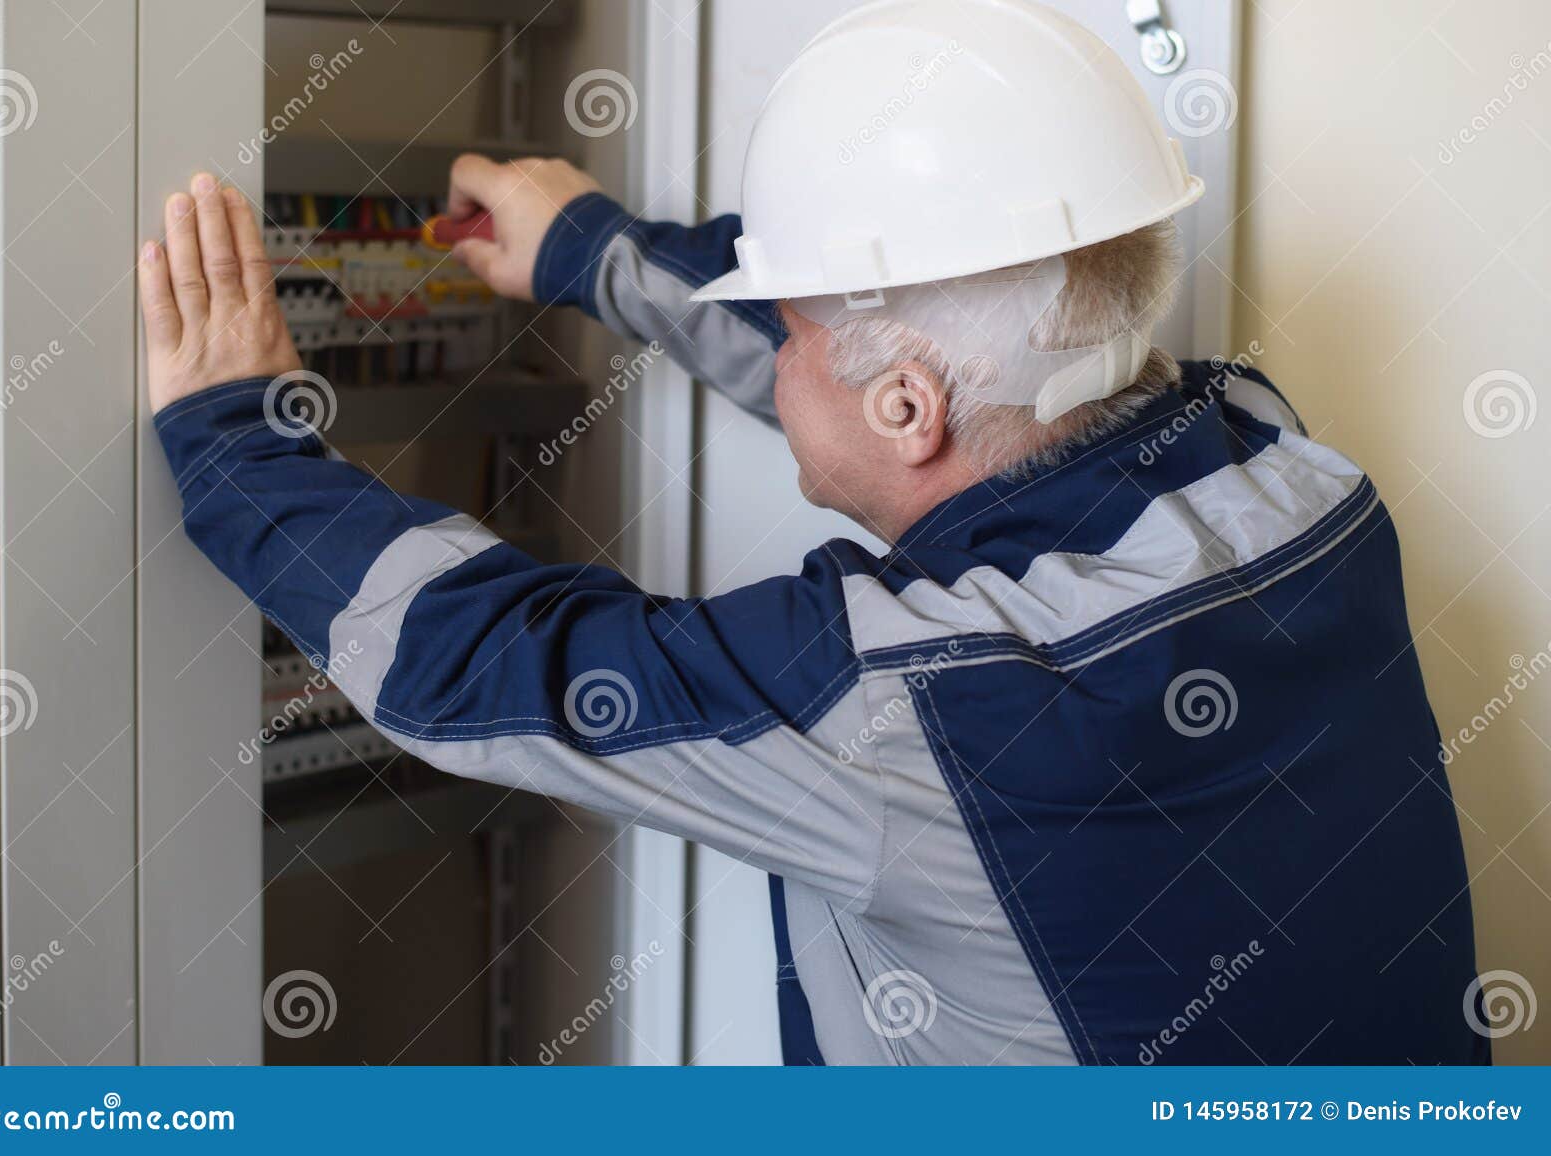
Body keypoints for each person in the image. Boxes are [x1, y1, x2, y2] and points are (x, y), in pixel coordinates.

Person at [138, 0, 1486, 1064]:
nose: (777, 359)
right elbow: (942, 354)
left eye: (783, 331)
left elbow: (471, 662)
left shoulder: (918, 698)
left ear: (905, 407)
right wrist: (586, 250)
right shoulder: (1288, 465)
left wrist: (231, 436)